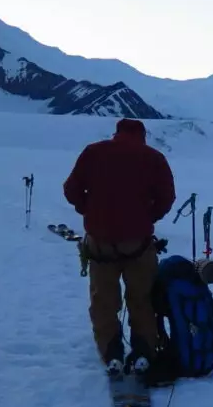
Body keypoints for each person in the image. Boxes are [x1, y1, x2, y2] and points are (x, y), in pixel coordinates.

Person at [63, 118, 176, 377]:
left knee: (104, 301)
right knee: (142, 299)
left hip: (100, 243)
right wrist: (148, 218)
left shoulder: (93, 152)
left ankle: (112, 353)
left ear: (117, 133)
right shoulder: (153, 158)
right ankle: (144, 352)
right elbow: (167, 197)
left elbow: (71, 190)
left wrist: (89, 210)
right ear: (142, 136)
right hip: (139, 243)